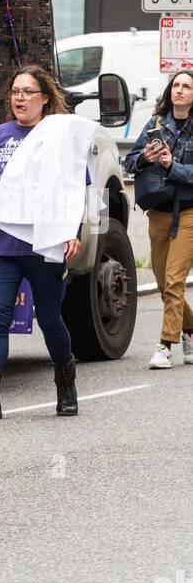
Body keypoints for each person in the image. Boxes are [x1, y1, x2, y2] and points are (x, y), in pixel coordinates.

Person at [0, 64, 82, 421]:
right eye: (15, 91)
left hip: (45, 243)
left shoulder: (59, 136)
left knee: (48, 317)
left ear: (45, 98)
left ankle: (66, 386)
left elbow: (74, 190)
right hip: (2, 243)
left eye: (28, 92)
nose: (20, 98)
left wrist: (73, 231)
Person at [125, 70, 193, 370]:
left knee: (175, 280)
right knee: (165, 284)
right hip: (158, 213)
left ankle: (166, 345)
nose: (180, 90)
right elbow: (129, 162)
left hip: (189, 213)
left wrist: (171, 165)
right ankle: (190, 330)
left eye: (187, 86)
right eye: (176, 85)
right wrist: (146, 158)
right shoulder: (155, 124)